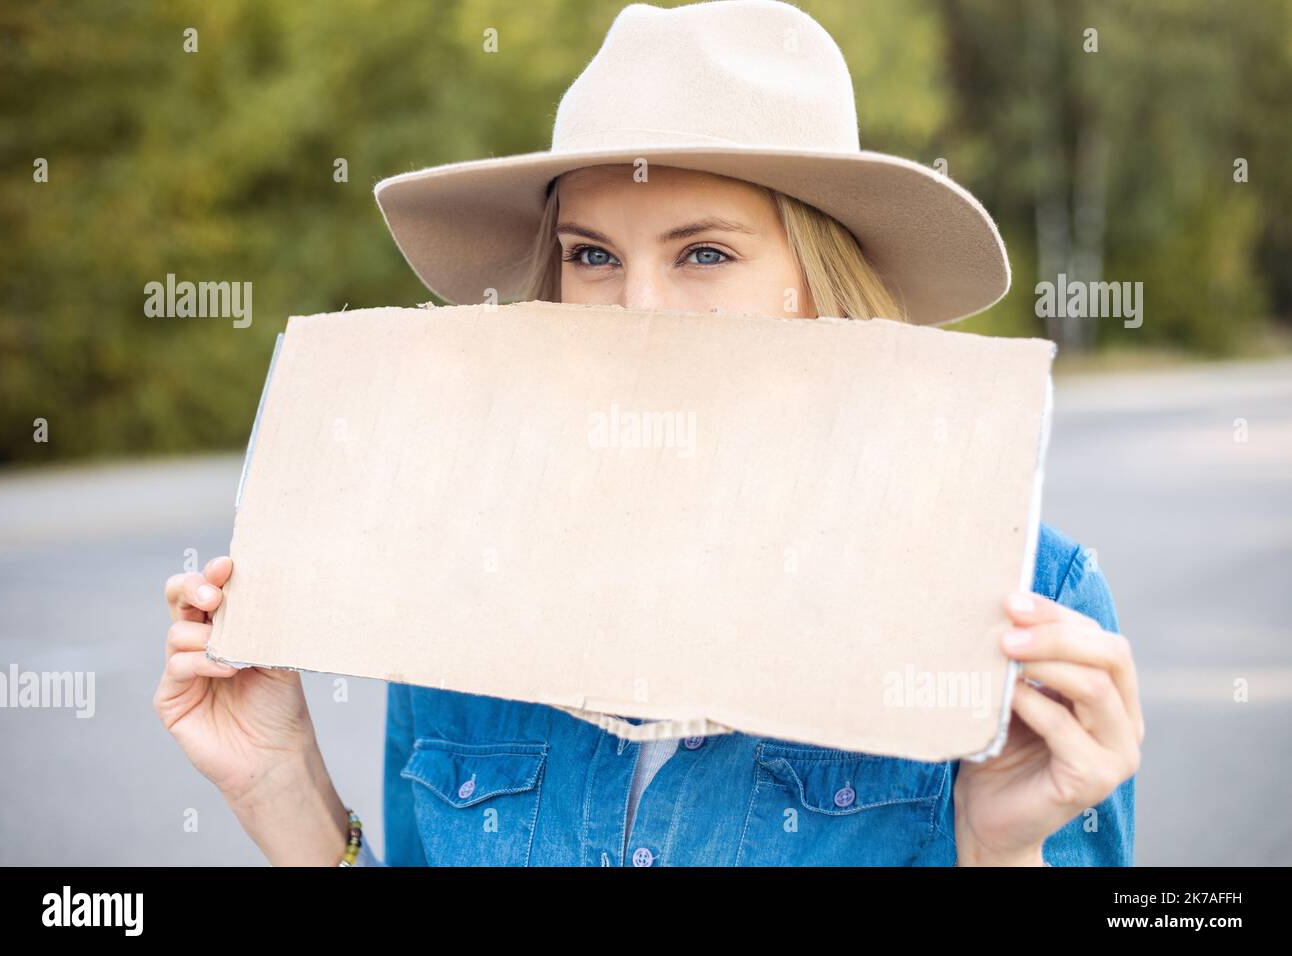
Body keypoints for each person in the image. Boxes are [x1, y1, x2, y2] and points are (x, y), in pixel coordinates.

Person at [154, 0, 1142, 866]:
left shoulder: (1018, 611)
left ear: (821, 292)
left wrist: (1002, 852)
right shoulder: (458, 580)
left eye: (703, 252)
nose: (636, 310)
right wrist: (276, 784)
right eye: (591, 255)